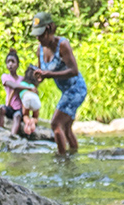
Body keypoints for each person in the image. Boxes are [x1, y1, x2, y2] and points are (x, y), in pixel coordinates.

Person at [31, 12, 87, 155]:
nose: (39, 38)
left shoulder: (62, 45)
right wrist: (37, 80)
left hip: (76, 89)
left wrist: (49, 75)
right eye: (37, 35)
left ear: (49, 29)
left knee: (56, 124)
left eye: (41, 35)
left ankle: (62, 159)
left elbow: (74, 70)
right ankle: (74, 155)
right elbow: (42, 72)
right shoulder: (40, 50)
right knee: (66, 128)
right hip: (66, 91)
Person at [0, 49, 24, 136]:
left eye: (13, 62)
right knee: (2, 108)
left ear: (17, 65)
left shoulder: (22, 79)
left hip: (19, 109)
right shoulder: (5, 77)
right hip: (10, 107)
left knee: (17, 116)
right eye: (8, 62)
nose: (10, 64)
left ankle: (12, 136)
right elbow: (14, 86)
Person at [19, 65, 42, 136]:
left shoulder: (22, 84)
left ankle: (27, 123)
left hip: (26, 97)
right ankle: (33, 122)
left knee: (25, 115)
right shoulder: (33, 87)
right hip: (35, 98)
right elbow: (36, 94)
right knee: (35, 117)